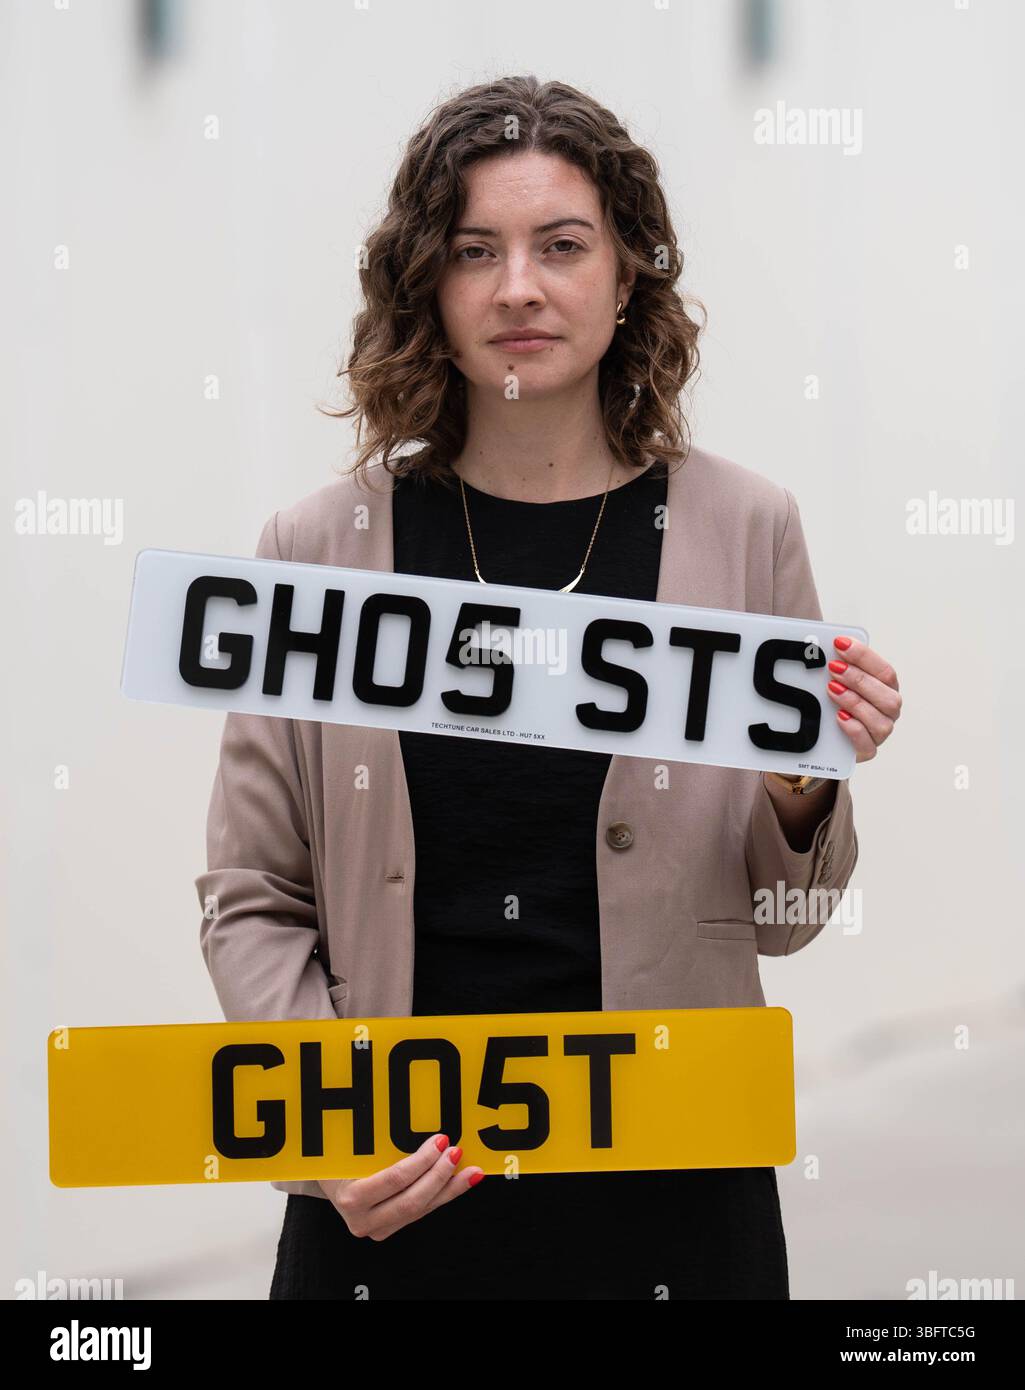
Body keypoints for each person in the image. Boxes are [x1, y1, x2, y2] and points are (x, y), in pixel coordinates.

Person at [195, 75, 902, 1300]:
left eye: (561, 245)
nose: (517, 286)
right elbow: (252, 892)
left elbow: (787, 926)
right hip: (393, 1201)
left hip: (674, 1204)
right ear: (428, 283)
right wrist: (328, 1125)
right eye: (475, 251)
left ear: (627, 279)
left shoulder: (742, 528)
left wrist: (804, 778)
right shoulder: (316, 548)